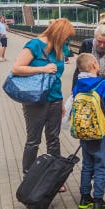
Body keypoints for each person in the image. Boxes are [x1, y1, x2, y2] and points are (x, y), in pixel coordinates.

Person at [11, 18, 75, 188]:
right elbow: (16, 68)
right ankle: (29, 178)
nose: (67, 41)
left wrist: (61, 101)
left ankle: (54, 177)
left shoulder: (60, 48)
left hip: (54, 99)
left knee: (53, 139)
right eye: (66, 37)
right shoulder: (34, 45)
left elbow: (57, 78)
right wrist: (42, 68)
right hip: (35, 100)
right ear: (59, 34)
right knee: (33, 140)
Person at [73, 53, 105, 209]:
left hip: (84, 132)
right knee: (101, 166)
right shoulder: (104, 84)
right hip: (100, 132)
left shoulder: (78, 84)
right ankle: (98, 201)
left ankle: (84, 198)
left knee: (87, 166)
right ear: (94, 64)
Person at [71, 23, 105, 93]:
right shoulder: (87, 45)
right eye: (99, 41)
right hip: (87, 87)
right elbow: (78, 69)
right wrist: (74, 90)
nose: (102, 45)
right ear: (95, 37)